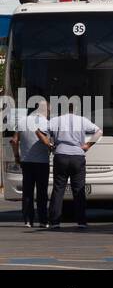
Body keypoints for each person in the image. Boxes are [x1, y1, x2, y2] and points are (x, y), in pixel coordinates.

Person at [47, 100, 102, 230]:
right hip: (78, 156)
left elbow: (42, 131)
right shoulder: (82, 120)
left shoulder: (56, 120)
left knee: (58, 189)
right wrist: (88, 145)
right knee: (78, 189)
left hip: (60, 155)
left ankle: (55, 222)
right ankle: (81, 221)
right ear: (75, 108)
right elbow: (99, 131)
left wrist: (50, 144)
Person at [9, 98, 53, 229]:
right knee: (41, 192)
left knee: (27, 191)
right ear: (44, 109)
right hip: (42, 162)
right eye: (49, 109)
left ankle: (28, 220)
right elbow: (48, 142)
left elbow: (14, 141)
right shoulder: (46, 123)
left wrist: (17, 156)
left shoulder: (23, 121)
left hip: (26, 162)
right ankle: (43, 220)